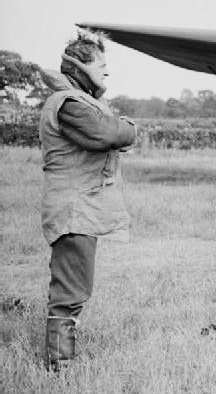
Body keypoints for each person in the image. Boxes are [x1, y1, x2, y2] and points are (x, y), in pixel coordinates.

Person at [39, 30, 137, 371]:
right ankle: (60, 366)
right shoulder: (69, 105)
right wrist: (127, 127)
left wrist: (119, 126)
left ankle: (61, 359)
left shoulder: (77, 101)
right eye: (101, 65)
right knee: (70, 289)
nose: (106, 72)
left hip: (81, 208)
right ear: (80, 68)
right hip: (73, 209)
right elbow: (109, 134)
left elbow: (109, 131)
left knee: (76, 284)